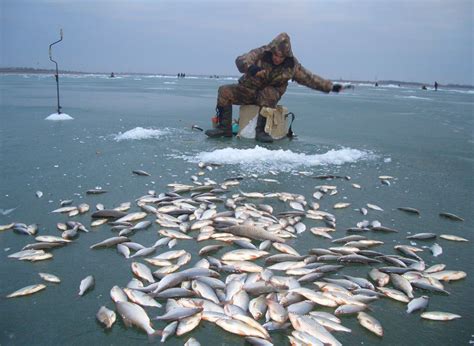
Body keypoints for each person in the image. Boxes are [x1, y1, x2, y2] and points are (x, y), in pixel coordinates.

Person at [205, 33, 343, 142]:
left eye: (281, 56)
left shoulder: (291, 66)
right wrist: (251, 68)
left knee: (269, 92)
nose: (277, 58)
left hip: (267, 99)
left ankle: (261, 131)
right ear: (272, 50)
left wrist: (331, 87)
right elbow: (241, 60)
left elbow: (310, 79)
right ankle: (224, 128)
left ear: (286, 56)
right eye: (275, 54)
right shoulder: (261, 52)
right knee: (224, 91)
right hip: (248, 91)